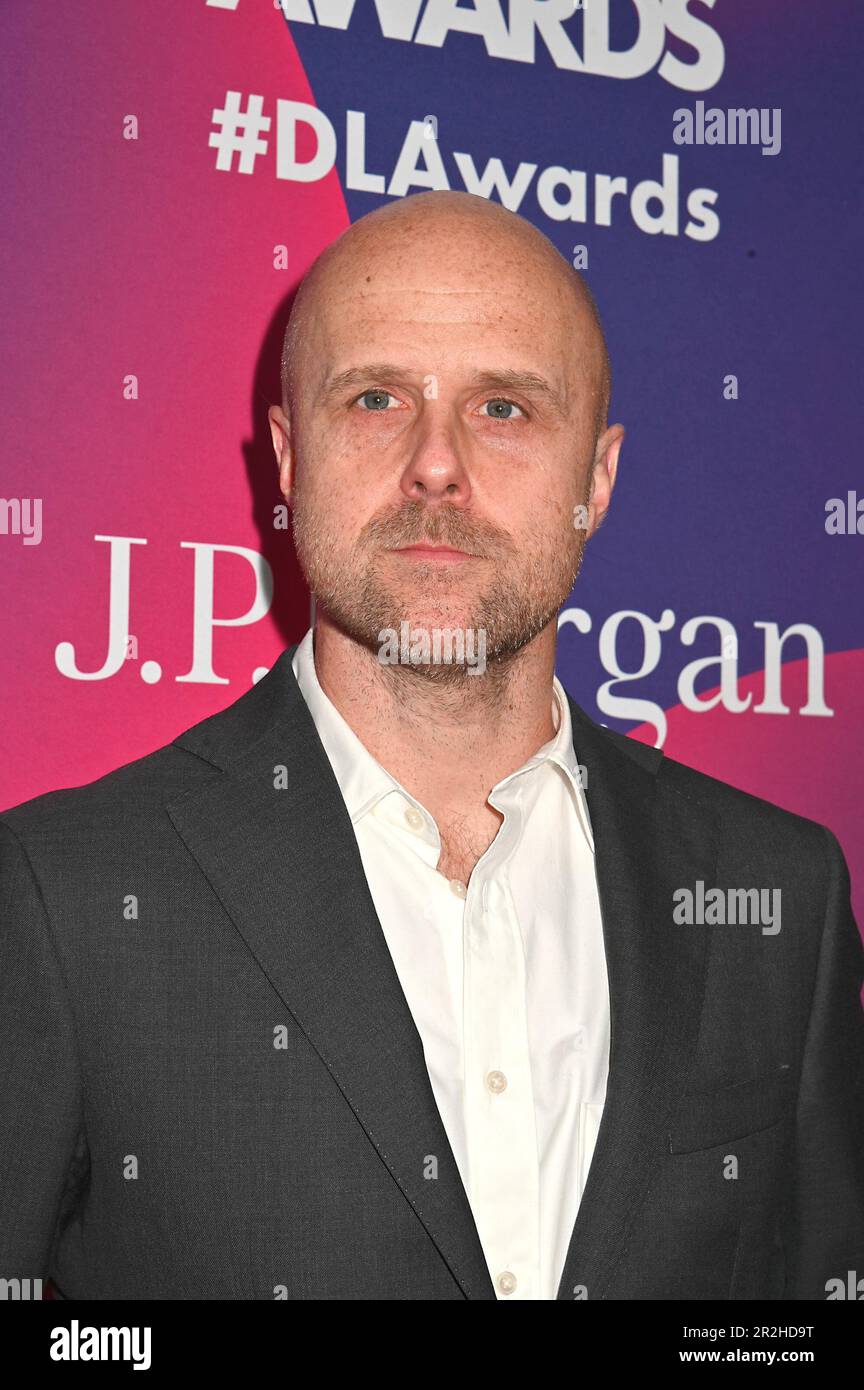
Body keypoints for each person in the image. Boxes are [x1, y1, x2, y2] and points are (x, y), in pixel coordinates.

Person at [1, 191, 861, 1301]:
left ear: (595, 479)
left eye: (504, 407)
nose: (437, 466)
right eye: (375, 398)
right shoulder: (61, 894)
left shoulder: (776, 892)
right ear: (289, 458)